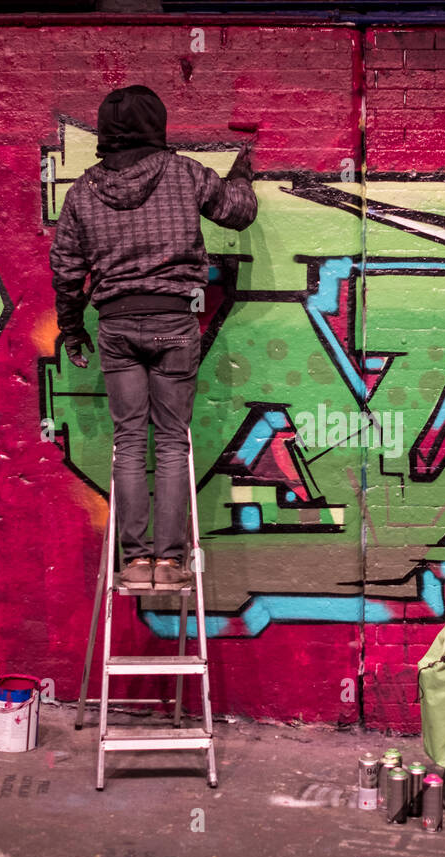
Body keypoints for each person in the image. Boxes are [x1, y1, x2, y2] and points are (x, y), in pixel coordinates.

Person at [50, 85, 257, 588]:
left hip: (116, 327)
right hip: (173, 323)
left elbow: (65, 269)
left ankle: (136, 560)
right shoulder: (183, 172)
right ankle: (169, 562)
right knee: (170, 443)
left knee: (128, 443)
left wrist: (73, 327)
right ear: (156, 125)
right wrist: (244, 168)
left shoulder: (81, 193)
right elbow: (239, 210)